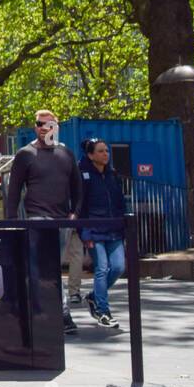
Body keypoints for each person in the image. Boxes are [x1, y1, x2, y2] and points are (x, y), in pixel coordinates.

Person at [4, 109, 82, 334]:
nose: (43, 128)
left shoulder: (65, 154)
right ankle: (61, 313)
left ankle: (41, 310)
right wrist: (11, 222)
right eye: (39, 124)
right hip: (37, 218)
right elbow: (14, 191)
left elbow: (77, 186)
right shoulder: (25, 154)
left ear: (55, 127)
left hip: (62, 219)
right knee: (46, 267)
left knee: (50, 268)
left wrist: (74, 214)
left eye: (48, 124)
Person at [77, 138, 125, 329]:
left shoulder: (112, 173)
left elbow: (120, 201)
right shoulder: (83, 175)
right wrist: (85, 233)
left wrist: (123, 225)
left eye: (106, 151)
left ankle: (94, 296)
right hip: (94, 230)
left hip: (114, 229)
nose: (106, 154)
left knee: (118, 267)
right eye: (101, 151)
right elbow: (80, 205)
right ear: (90, 155)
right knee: (102, 268)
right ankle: (103, 311)